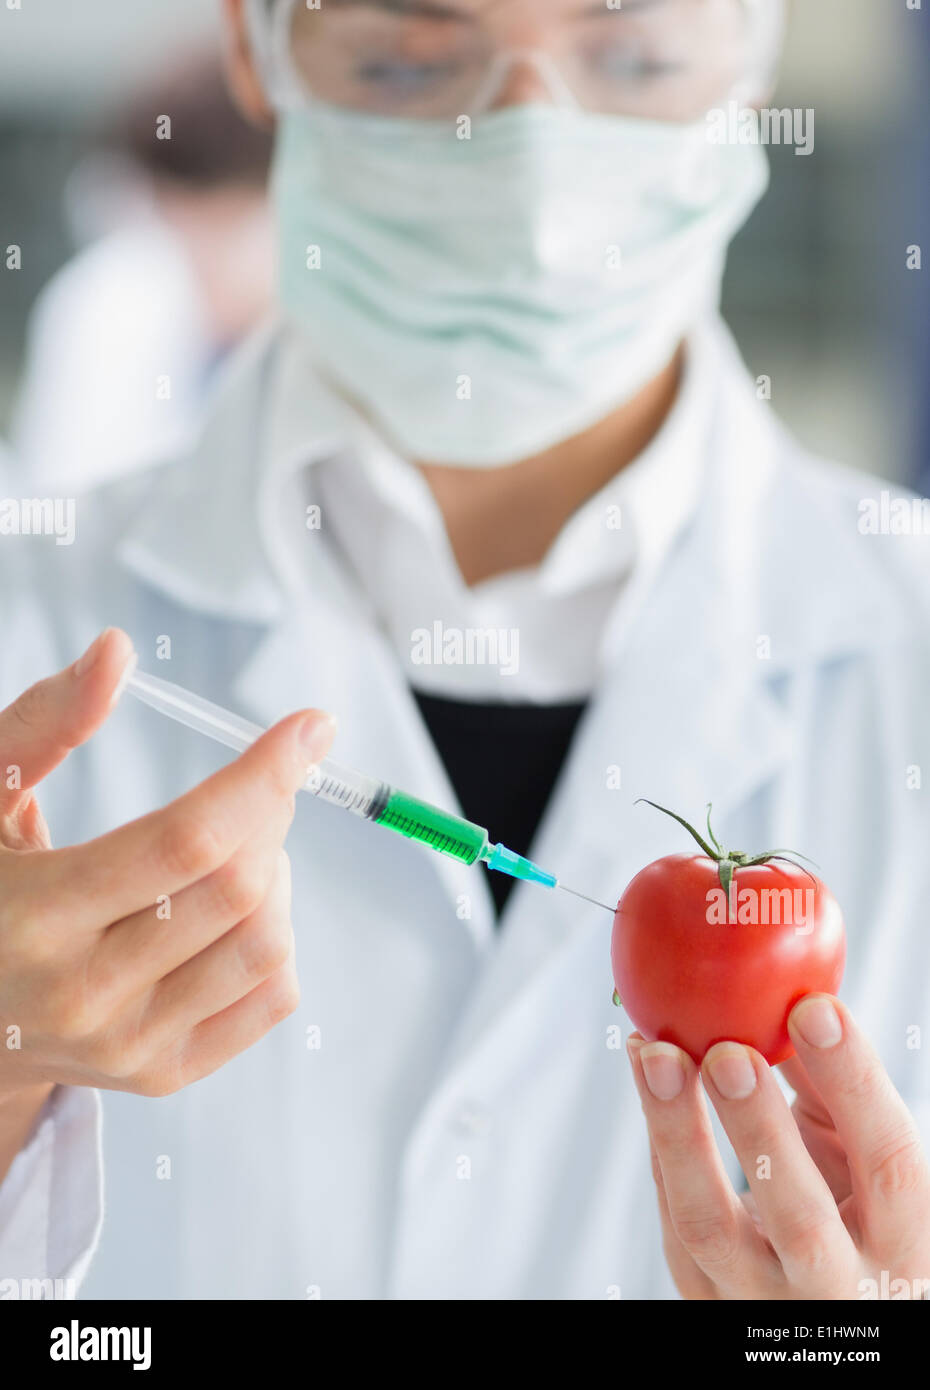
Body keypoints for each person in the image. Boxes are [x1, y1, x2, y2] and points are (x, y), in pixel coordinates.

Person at [0, 0, 928, 1301]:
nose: (527, 154)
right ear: (252, 52)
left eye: (635, 52)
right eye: (406, 52)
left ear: (752, 56)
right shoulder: (26, 617)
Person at [10, 51, 273, 493]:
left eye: (216, 232)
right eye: (172, 227)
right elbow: (62, 496)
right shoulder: (110, 305)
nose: (196, 268)